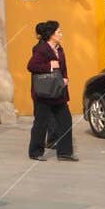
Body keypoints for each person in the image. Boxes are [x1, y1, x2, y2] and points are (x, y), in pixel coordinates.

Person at [27, 20, 77, 162]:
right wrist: (49, 65)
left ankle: (65, 153)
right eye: (58, 32)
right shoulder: (41, 49)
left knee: (66, 120)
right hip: (44, 93)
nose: (61, 34)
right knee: (41, 123)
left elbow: (63, 68)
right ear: (51, 35)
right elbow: (31, 66)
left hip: (58, 91)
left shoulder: (59, 49)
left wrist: (65, 79)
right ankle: (35, 152)